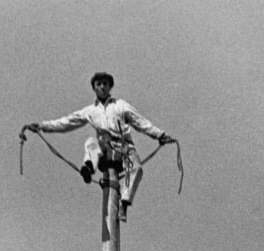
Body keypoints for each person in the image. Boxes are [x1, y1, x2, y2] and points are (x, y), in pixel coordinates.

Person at [23, 72, 172, 220]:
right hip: (104, 145)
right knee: (91, 142)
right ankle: (88, 167)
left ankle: (124, 203)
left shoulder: (120, 105)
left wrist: (159, 134)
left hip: (123, 146)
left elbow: (141, 122)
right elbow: (67, 122)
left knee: (136, 168)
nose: (102, 87)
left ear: (110, 87)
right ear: (94, 88)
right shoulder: (90, 110)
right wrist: (42, 126)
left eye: (105, 84)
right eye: (99, 84)